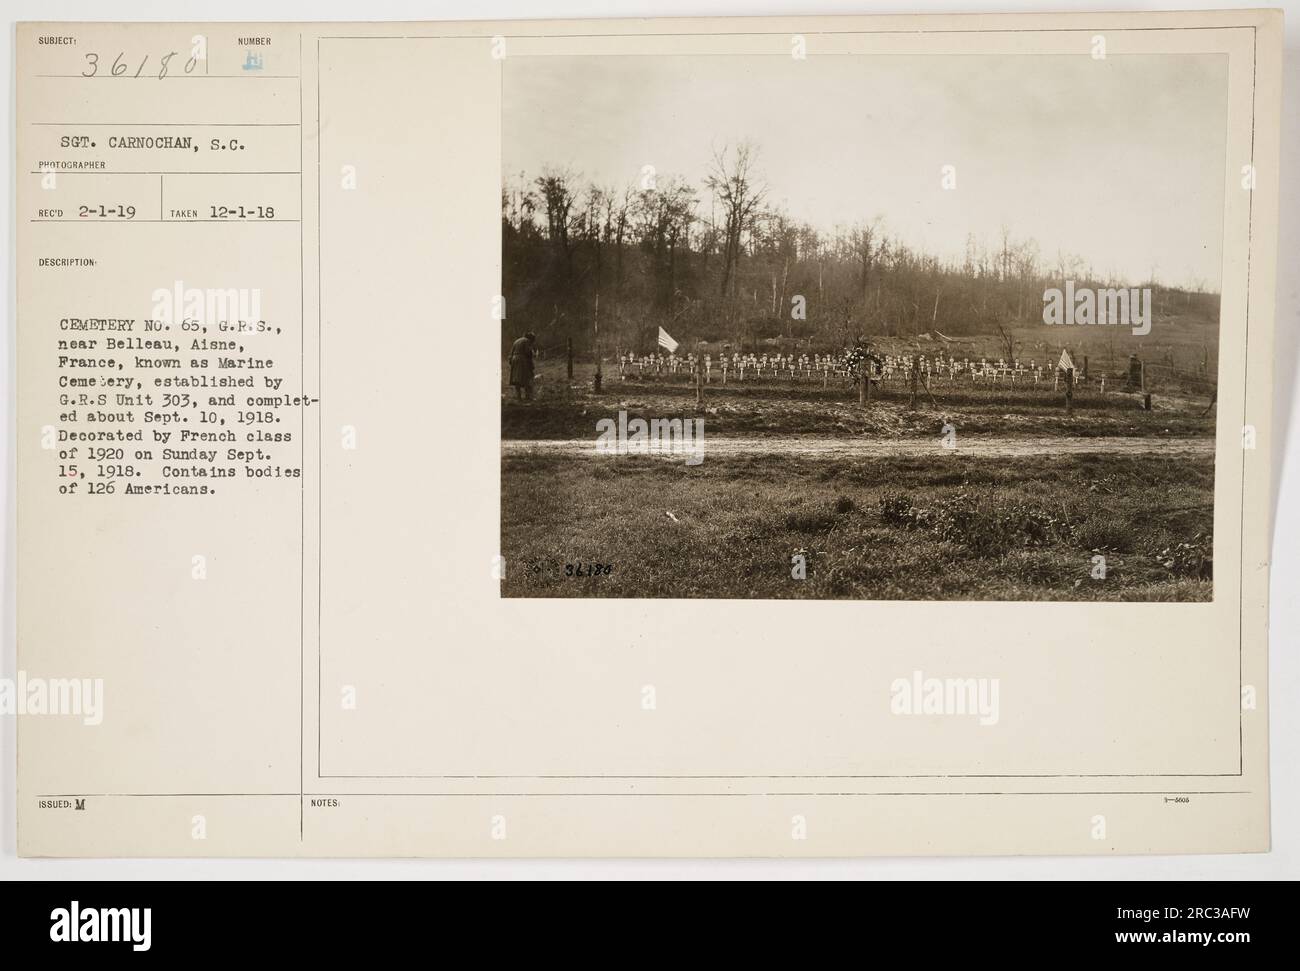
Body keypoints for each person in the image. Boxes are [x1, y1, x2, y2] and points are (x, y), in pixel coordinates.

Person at [509, 331, 536, 400]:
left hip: (514, 360)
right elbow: (528, 352)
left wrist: (511, 361)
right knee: (527, 377)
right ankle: (528, 397)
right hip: (522, 360)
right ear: (531, 338)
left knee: (516, 378)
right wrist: (533, 355)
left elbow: (511, 352)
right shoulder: (527, 341)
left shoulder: (517, 340)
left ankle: (519, 397)